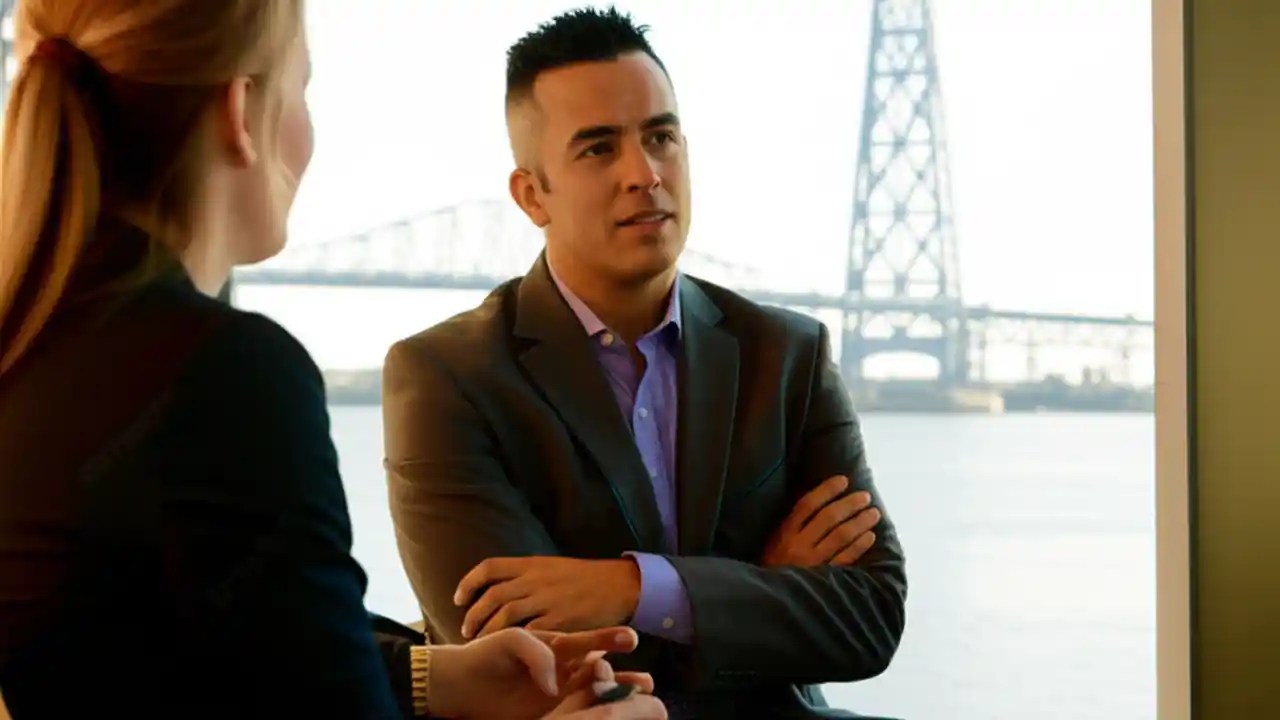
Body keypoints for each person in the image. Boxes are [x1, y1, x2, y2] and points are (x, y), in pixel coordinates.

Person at [0, 2, 668, 719]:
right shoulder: (224, 375)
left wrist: (428, 679)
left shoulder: (44, 346)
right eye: (303, 89)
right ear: (239, 111)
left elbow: (180, 660)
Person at [382, 7, 907, 719]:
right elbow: (529, 671)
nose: (644, 174)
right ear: (533, 194)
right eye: (598, 149)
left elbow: (870, 620)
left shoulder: (788, 354)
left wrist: (632, 590)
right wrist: (754, 588)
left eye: (661, 137)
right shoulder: (445, 377)